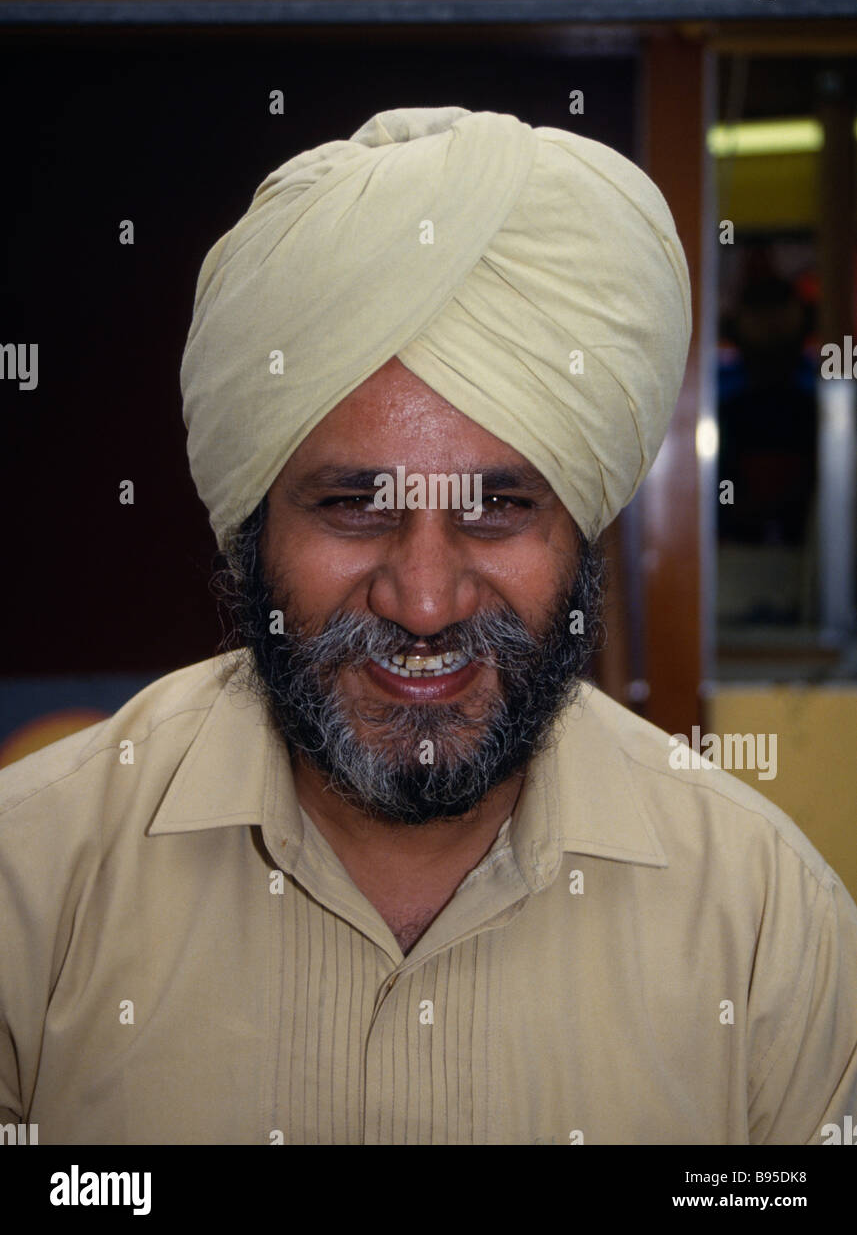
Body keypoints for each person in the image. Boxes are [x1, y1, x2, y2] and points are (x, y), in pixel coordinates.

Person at [1, 107, 855, 1146]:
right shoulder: (31, 883)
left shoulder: (762, 920)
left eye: (497, 508)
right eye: (354, 505)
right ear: (251, 528)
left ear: (578, 532)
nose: (423, 598)